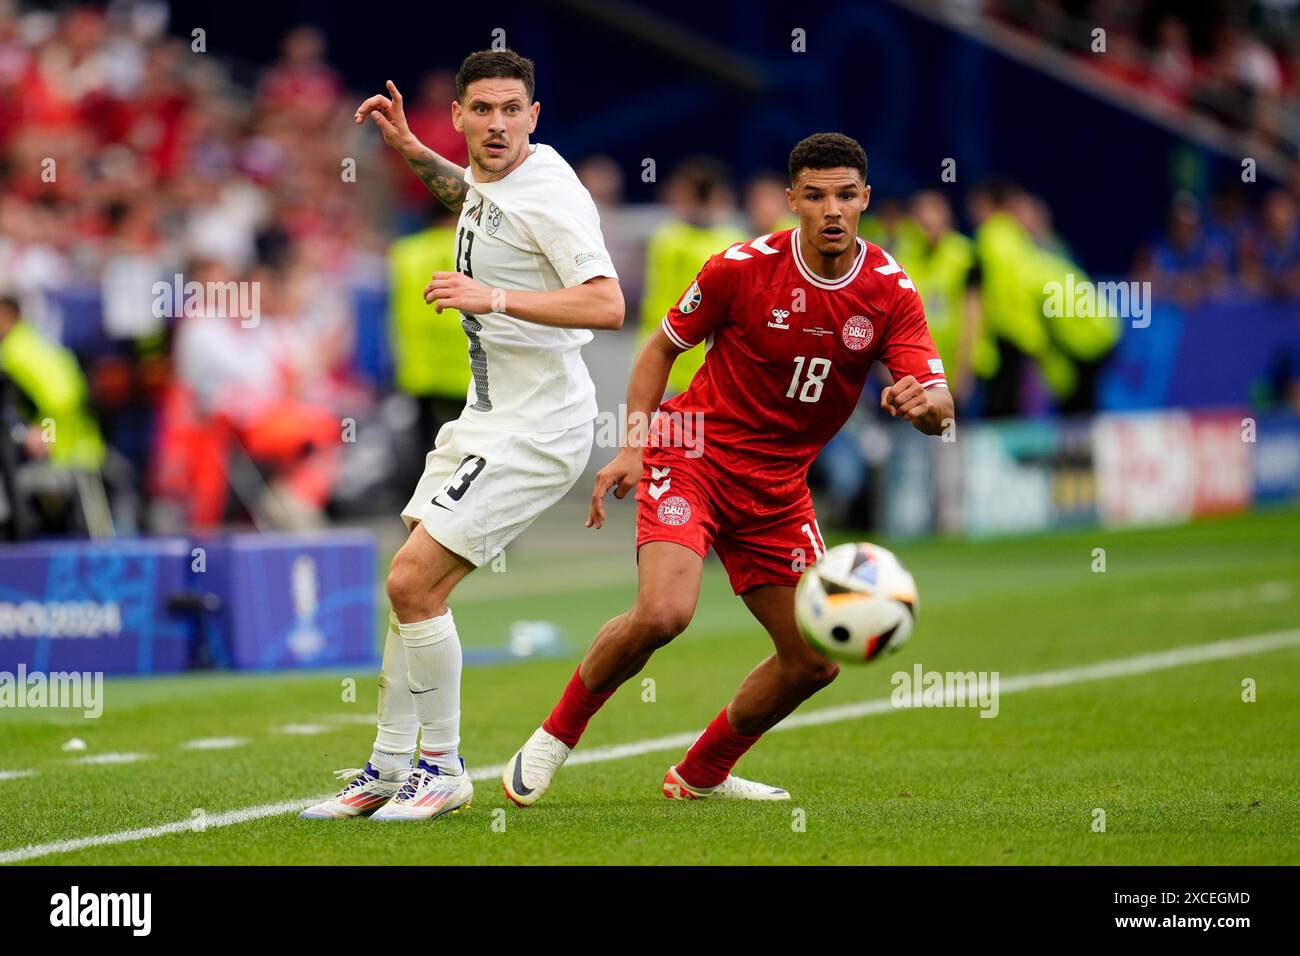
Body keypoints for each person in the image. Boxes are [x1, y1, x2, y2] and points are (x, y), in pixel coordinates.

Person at [502, 133, 954, 805]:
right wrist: (632, 444)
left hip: (777, 489)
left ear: (865, 199)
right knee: (663, 613)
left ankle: (700, 776)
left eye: (845, 196)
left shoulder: (890, 291)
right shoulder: (740, 269)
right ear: (791, 200)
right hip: (692, 454)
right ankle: (553, 738)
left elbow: (940, 404)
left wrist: (924, 406)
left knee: (813, 662)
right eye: (817, 196)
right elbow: (658, 351)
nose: (832, 210)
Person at [302, 49, 624, 821]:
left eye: (512, 109)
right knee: (413, 586)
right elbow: (471, 192)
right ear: (459, 116)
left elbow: (608, 303)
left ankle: (441, 769)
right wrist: (414, 152)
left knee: (412, 582)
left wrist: (496, 296)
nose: (497, 124)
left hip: (539, 424)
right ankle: (385, 767)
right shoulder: (489, 173)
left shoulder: (552, 191)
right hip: (487, 416)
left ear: (534, 117)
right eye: (481, 110)